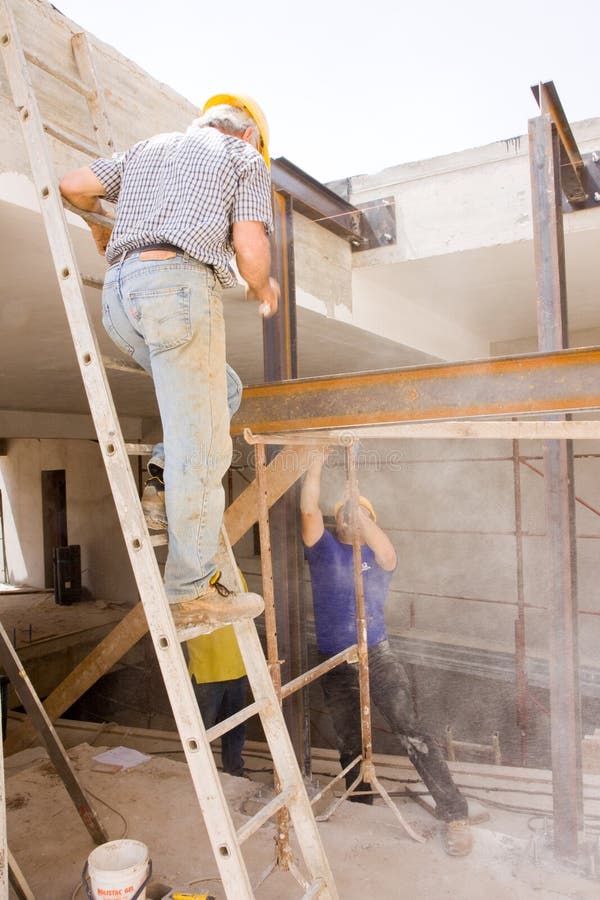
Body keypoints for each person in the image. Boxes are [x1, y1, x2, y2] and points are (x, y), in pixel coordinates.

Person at [59, 94, 279, 633]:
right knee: (202, 448)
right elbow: (249, 244)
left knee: (223, 393)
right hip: (178, 290)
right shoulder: (243, 159)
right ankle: (190, 590)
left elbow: (72, 186)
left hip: (121, 300)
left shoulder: (147, 149)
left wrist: (105, 227)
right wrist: (263, 283)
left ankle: (159, 476)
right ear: (249, 137)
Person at [300, 451, 472, 857]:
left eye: (361, 515)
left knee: (411, 729)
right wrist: (316, 462)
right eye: (345, 514)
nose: (351, 519)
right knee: (350, 740)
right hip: (335, 661)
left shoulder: (378, 560)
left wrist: (359, 512)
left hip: (376, 653)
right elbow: (309, 508)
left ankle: (454, 812)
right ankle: (360, 807)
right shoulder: (324, 551)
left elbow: (390, 552)